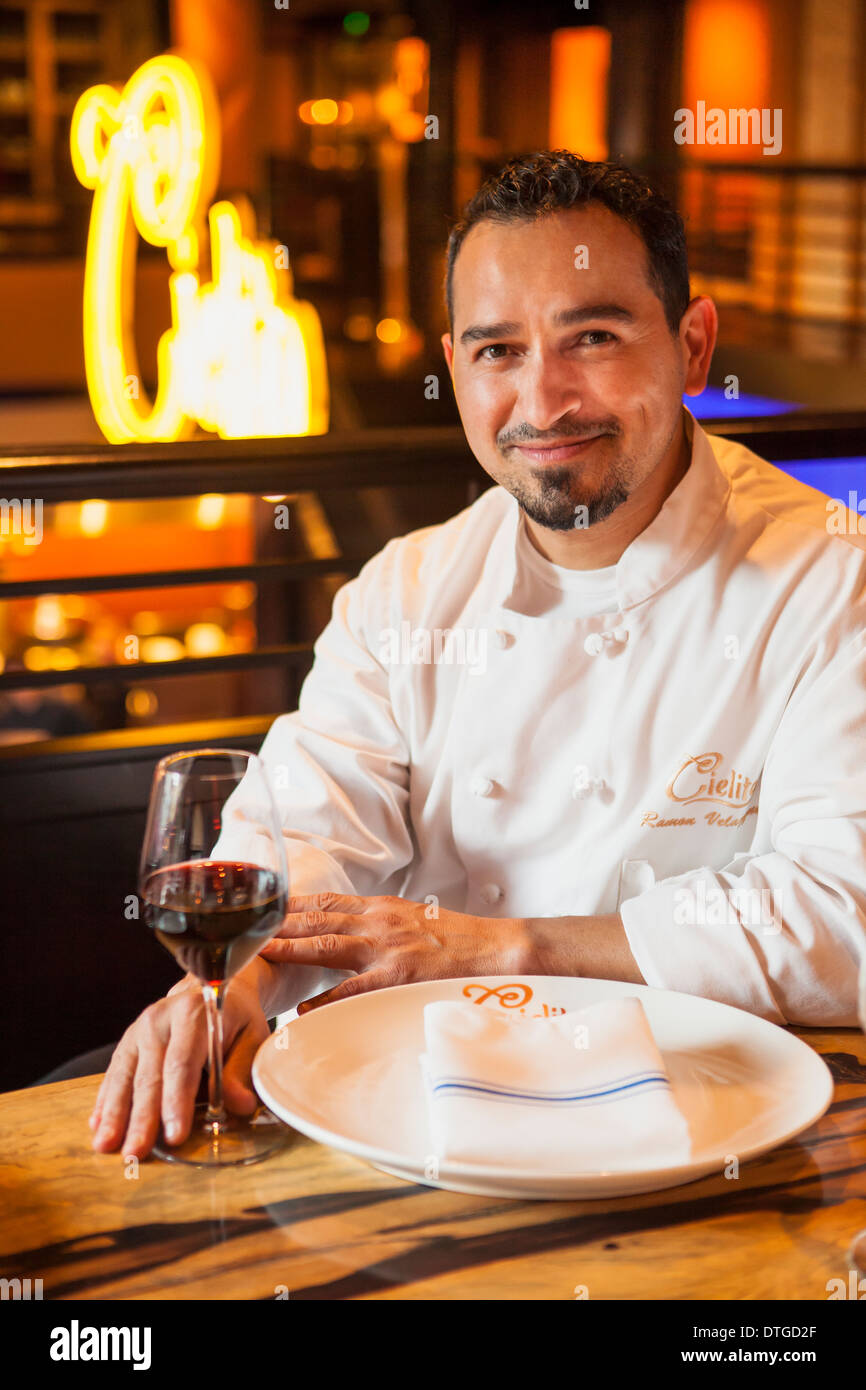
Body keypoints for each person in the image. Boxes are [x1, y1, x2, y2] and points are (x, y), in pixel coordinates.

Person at [90, 149, 866, 1160]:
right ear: (454, 367)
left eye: (590, 335)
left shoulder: (828, 578)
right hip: (421, 1114)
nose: (543, 400)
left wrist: (510, 944)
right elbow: (306, 825)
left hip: (712, 1129)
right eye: (498, 351)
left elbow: (845, 910)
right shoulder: (406, 590)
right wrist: (236, 983)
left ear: (688, 345)